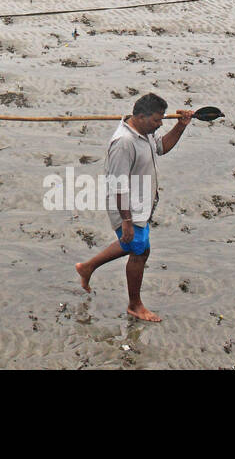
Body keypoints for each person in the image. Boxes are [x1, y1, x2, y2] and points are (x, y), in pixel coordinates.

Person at [74, 93, 193, 321]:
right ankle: (135, 305)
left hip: (141, 203)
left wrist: (180, 126)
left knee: (139, 249)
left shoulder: (144, 133)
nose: (159, 125)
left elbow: (161, 148)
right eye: (156, 121)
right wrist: (126, 221)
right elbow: (117, 185)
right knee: (138, 251)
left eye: (161, 120)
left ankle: (88, 267)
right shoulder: (124, 143)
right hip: (127, 205)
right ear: (140, 116)